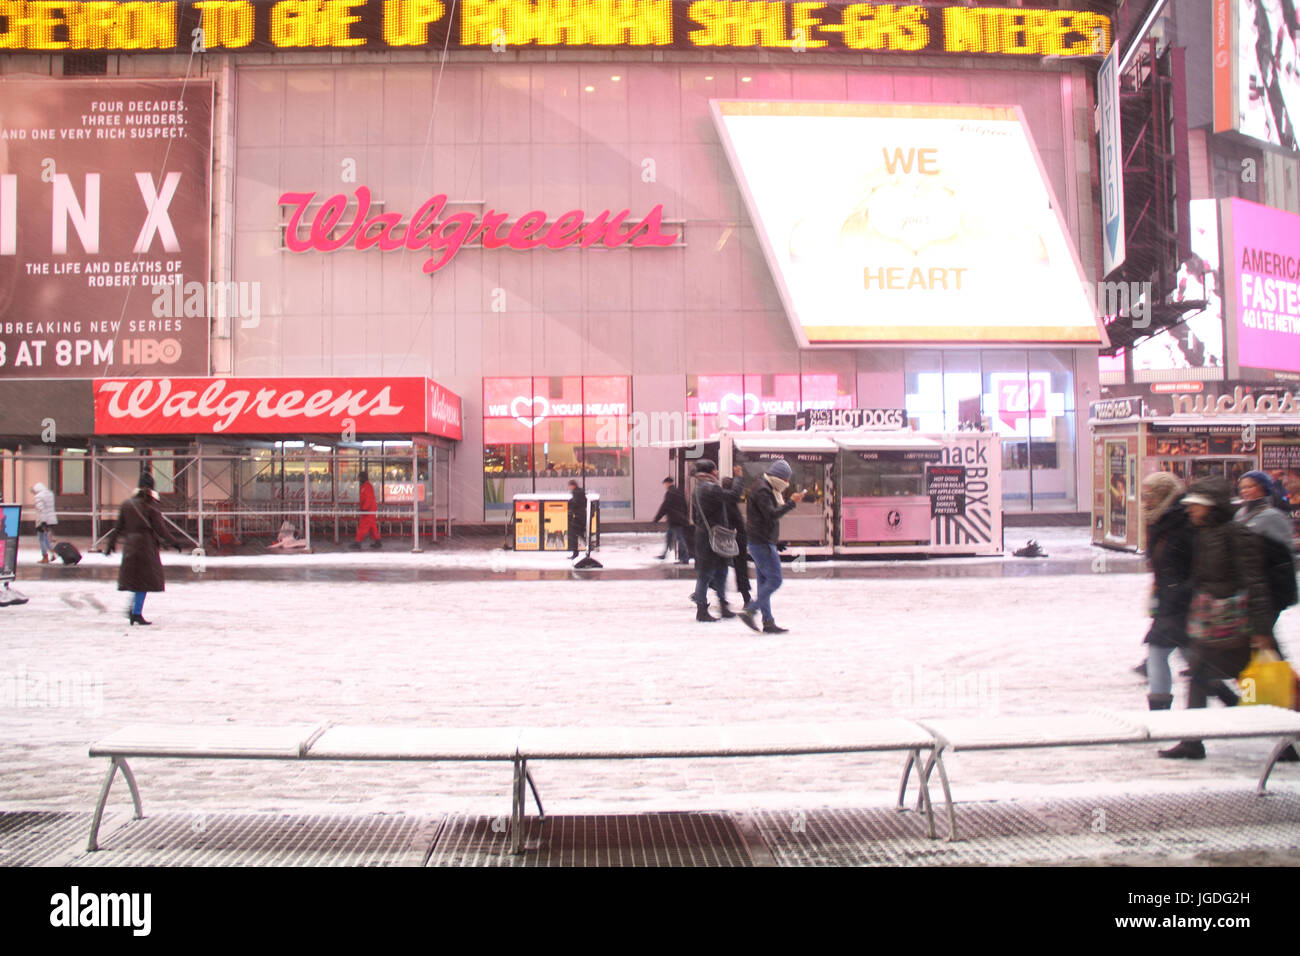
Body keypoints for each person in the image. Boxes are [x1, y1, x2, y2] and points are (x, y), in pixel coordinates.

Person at [1160, 477, 1272, 759]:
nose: (1190, 511)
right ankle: (1192, 741)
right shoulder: (1204, 534)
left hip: (1237, 627)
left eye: (1196, 506)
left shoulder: (1236, 535)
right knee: (1199, 677)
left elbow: (1255, 582)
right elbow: (1201, 578)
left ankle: (1288, 736)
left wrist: (1260, 630)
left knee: (1260, 683)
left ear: (1211, 507)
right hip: (1210, 623)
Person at [1139, 473, 1194, 713]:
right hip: (1170, 600)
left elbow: (1192, 564)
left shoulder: (1181, 522)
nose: (1144, 501)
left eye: (1148, 496)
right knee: (1190, 657)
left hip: (1182, 602)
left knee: (1159, 653)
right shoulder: (1160, 520)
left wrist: (1177, 592)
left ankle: (1159, 712)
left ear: (1162, 495)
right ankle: (1227, 697)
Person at [103, 473, 179, 626]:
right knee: (144, 581)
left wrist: (111, 544)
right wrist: (174, 541)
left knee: (136, 579)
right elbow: (160, 528)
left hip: (130, 545)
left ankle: (134, 610)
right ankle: (136, 612)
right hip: (146, 545)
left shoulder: (127, 504)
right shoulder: (151, 504)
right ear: (152, 488)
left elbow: (117, 527)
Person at [739, 459, 804, 634]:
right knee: (775, 580)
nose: (787, 483)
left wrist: (776, 542)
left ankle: (768, 621)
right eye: (787, 479)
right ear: (780, 477)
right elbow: (771, 515)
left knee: (764, 583)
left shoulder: (766, 488)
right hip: (762, 542)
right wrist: (792, 503)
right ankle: (750, 610)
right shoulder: (763, 490)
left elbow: (764, 518)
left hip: (762, 541)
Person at [690, 460, 743, 622]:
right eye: (716, 469)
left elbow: (694, 516)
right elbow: (733, 496)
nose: (718, 472)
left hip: (705, 535)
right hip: (713, 537)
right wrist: (739, 478)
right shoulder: (710, 487)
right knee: (707, 574)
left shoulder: (698, 489)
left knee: (720, 570)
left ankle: (721, 605)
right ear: (711, 472)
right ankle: (702, 609)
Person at [721, 475, 752, 608]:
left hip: (725, 537)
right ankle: (746, 597)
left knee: (720, 567)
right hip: (736, 538)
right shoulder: (730, 500)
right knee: (740, 568)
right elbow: (738, 523)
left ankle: (715, 594)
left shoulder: (721, 499)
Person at [652, 477, 690, 564]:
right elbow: (685, 506)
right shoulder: (679, 492)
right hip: (678, 519)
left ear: (668, 483)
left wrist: (657, 518)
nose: (665, 486)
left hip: (675, 520)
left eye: (665, 484)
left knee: (680, 539)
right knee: (669, 537)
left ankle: (685, 558)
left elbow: (665, 506)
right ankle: (665, 554)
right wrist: (684, 516)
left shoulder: (670, 493)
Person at [353, 471, 380, 550]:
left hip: (368, 510)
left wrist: (364, 508)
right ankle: (378, 541)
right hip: (370, 510)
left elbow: (368, 499)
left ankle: (358, 542)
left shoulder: (366, 487)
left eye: (360, 477)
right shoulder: (366, 486)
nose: (359, 479)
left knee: (363, 526)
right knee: (372, 527)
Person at [31, 481, 58, 564]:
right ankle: (53, 553)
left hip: (43, 520)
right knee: (46, 538)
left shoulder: (38, 497)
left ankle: (45, 557)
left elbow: (41, 510)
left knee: (41, 539)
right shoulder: (50, 494)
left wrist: (42, 522)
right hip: (51, 520)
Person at [567, 478, 587, 559]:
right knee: (581, 534)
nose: (569, 488)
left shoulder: (576, 492)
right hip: (582, 516)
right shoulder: (580, 492)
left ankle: (575, 554)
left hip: (578, 517)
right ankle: (588, 547)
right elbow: (583, 502)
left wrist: (570, 505)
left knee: (573, 535)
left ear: (573, 485)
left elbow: (575, 503)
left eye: (569, 486)